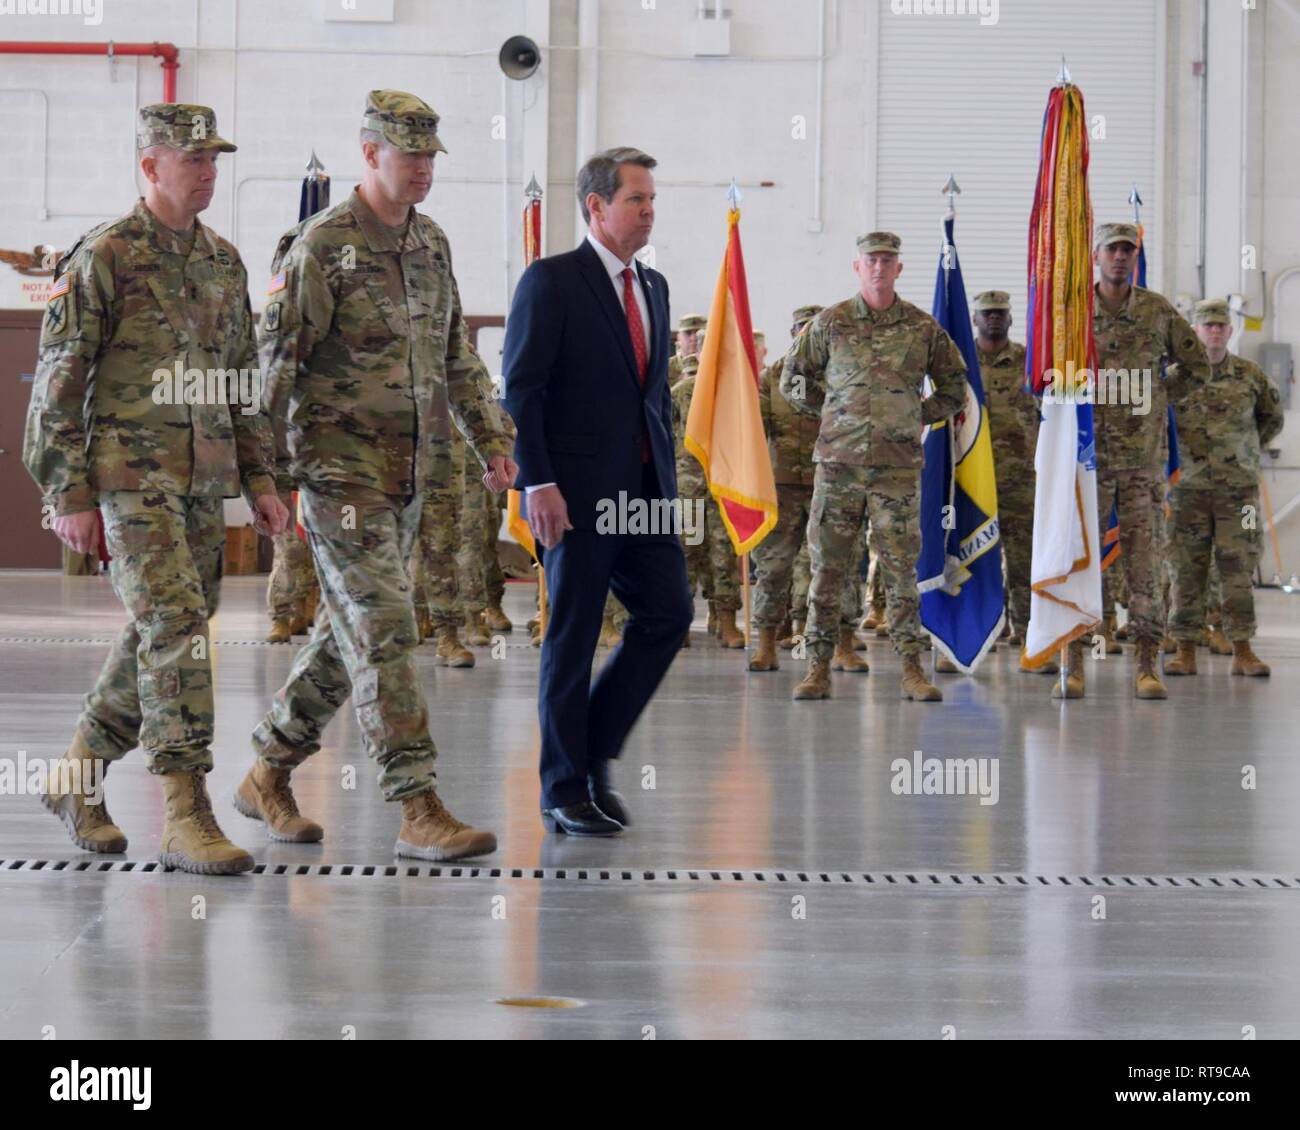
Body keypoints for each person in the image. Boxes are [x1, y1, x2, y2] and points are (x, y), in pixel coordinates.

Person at [243, 90, 516, 860]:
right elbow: (274, 369)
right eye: (409, 153)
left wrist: (490, 437)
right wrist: (262, 476)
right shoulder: (321, 245)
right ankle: (417, 804)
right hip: (340, 476)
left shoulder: (431, 242)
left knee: (350, 633)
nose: (423, 168)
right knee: (389, 626)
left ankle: (267, 771)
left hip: (411, 474)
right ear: (370, 154)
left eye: (430, 155)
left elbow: (455, 355)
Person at [24, 103, 288, 874]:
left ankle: (75, 776)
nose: (207, 172)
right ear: (150, 166)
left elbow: (242, 383)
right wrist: (67, 493)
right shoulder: (105, 255)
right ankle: (184, 811)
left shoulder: (223, 262)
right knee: (176, 625)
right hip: (127, 479)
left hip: (202, 482)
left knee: (162, 629)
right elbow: (56, 385)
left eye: (213, 159)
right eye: (191, 159)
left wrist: (261, 479)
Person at [503, 146, 693, 836]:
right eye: (635, 199)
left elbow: (651, 396)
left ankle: (590, 752)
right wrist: (539, 482)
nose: (648, 212)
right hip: (574, 494)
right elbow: (522, 390)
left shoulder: (654, 285)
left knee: (669, 615)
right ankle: (563, 788)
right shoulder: (552, 281)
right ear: (596, 206)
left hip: (643, 492)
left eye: (652, 200)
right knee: (574, 637)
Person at [780, 231, 966, 702]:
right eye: (871, 260)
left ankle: (911, 670)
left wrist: (916, 414)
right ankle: (817, 667)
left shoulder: (922, 328)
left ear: (899, 268)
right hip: (838, 467)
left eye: (887, 260)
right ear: (857, 267)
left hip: (896, 470)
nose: (879, 267)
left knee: (901, 572)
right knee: (827, 570)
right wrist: (831, 412)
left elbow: (955, 385)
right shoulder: (831, 322)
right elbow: (792, 379)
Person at [1061, 222, 1210, 700]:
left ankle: (1147, 664)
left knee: (1145, 566)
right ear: (1096, 256)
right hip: (1087, 464)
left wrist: (1159, 395)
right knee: (1081, 562)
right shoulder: (1073, 311)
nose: (1120, 257)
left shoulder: (1156, 311)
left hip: (1142, 464)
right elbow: (1046, 376)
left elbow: (1198, 365)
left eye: (1128, 250)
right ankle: (1075, 660)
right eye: (1112, 250)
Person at [1164, 298, 1283, 677]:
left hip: (1240, 494)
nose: (1214, 331)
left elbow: (1271, 419)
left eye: (1220, 325)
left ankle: (1242, 649)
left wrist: (1244, 452)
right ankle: (1185, 649)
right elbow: (1157, 426)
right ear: (1194, 331)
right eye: (1207, 325)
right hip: (1187, 492)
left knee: (1239, 567)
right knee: (1185, 570)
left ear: (1230, 331)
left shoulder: (1251, 376)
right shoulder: (1175, 377)